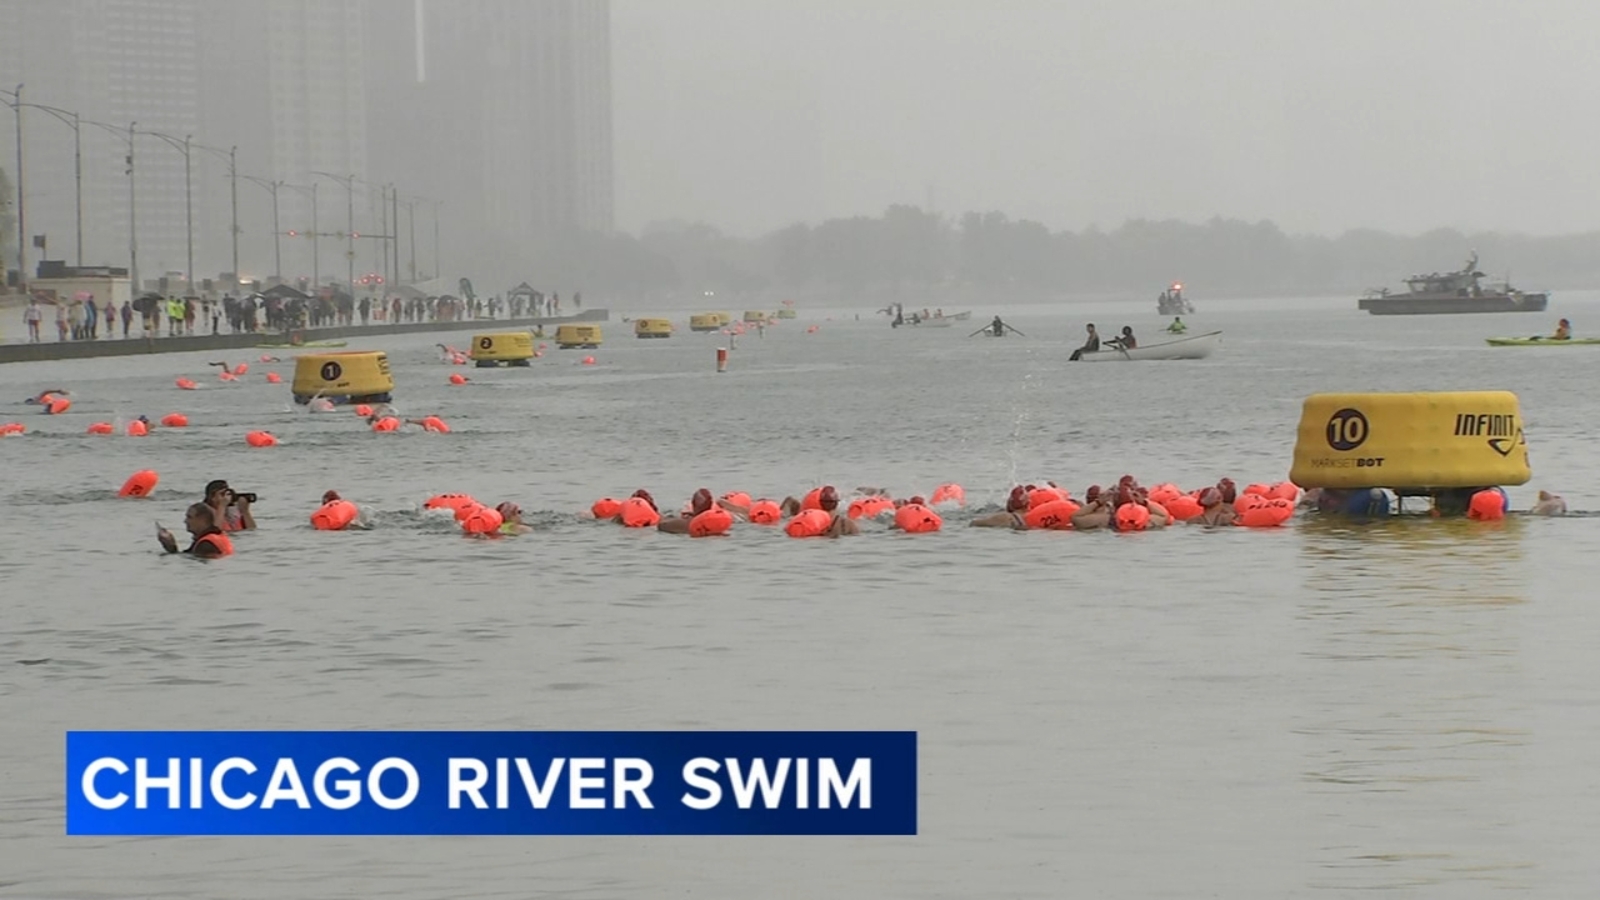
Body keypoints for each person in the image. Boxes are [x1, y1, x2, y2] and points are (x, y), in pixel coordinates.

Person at [157, 503, 235, 558]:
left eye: (189, 517)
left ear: (202, 520)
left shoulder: (206, 544)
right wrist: (171, 546)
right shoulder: (217, 535)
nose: (185, 521)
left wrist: (172, 549)